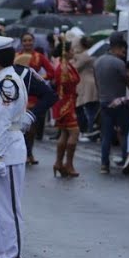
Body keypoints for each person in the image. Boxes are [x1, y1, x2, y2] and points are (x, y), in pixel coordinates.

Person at [0, 32, 56, 258]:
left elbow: (3, 122)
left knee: (8, 208)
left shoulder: (7, 82)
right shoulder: (3, 79)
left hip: (7, 150)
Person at [17, 32, 56, 166]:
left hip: (34, 96)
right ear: (21, 43)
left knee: (31, 129)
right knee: (19, 128)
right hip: (20, 96)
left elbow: (52, 72)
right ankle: (22, 153)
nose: (27, 43)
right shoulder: (16, 57)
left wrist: (38, 79)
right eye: (25, 40)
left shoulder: (39, 57)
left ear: (33, 42)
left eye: (30, 40)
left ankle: (30, 153)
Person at [95, 33, 129, 173]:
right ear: (117, 47)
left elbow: (97, 82)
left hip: (103, 101)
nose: (124, 53)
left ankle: (104, 164)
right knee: (123, 132)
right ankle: (125, 160)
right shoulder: (119, 63)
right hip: (118, 102)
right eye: (123, 50)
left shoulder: (98, 61)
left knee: (106, 135)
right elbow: (127, 80)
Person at [51, 37, 82, 177]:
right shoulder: (63, 68)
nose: (73, 52)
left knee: (65, 132)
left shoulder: (66, 66)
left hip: (67, 102)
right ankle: (68, 164)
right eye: (71, 50)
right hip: (66, 103)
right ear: (66, 52)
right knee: (74, 132)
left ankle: (59, 163)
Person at [74, 35, 99, 141]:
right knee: (91, 110)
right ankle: (90, 131)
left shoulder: (85, 56)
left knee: (89, 111)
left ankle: (89, 132)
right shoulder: (93, 54)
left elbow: (75, 67)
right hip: (93, 83)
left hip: (87, 85)